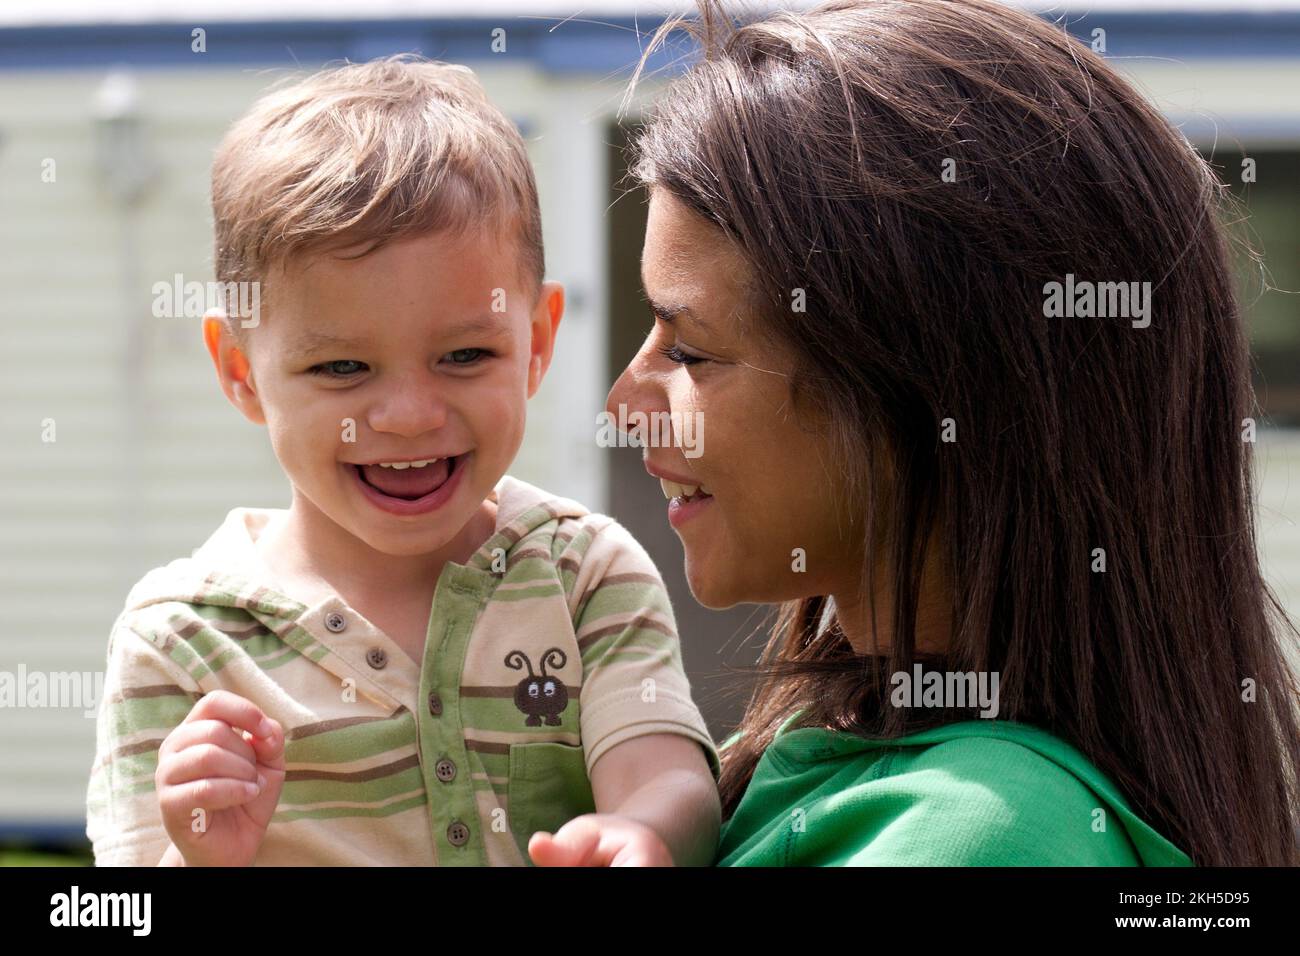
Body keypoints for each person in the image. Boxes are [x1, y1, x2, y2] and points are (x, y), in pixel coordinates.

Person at [608, 0, 1300, 865]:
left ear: (919, 394)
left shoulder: (977, 833)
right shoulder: (857, 764)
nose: (624, 401)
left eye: (693, 351)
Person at [86, 55, 720, 867]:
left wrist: (644, 834)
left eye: (463, 354)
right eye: (342, 368)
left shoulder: (584, 575)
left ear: (537, 342)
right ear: (241, 371)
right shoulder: (183, 639)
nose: (410, 415)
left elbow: (668, 781)